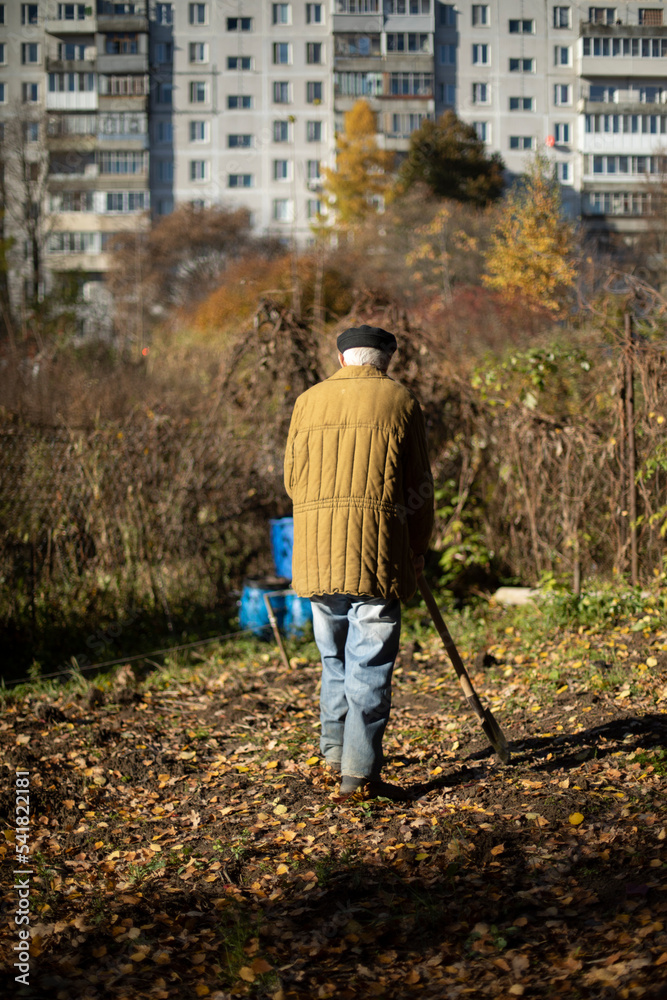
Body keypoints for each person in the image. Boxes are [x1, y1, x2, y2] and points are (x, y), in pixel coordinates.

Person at [284, 324, 434, 800]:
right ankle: (359, 775)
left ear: (343, 358)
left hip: (316, 554)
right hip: (378, 554)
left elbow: (292, 479)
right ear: (385, 360)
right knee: (368, 664)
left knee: (333, 658)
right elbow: (418, 488)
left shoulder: (308, 401)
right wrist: (418, 547)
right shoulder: (401, 402)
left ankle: (332, 754)